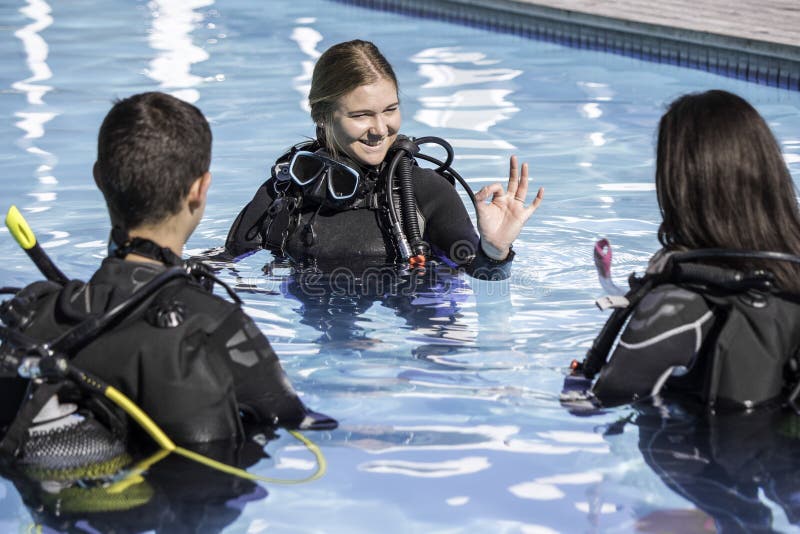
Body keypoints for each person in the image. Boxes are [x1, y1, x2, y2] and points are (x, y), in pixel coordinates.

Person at [0, 92, 335, 457]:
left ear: (99, 179)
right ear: (199, 190)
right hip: (195, 499)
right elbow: (297, 423)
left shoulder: (34, 315)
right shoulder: (218, 326)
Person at [224, 39, 543, 279]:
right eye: (362, 115)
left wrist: (496, 250)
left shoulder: (422, 192)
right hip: (317, 326)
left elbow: (485, 277)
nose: (380, 129)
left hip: (417, 326)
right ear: (322, 115)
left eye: (390, 110)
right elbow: (225, 265)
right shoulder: (284, 191)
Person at [573, 90, 800, 410]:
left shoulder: (676, 307)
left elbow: (594, 404)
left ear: (678, 186)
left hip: (710, 456)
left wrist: (573, 379)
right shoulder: (792, 272)